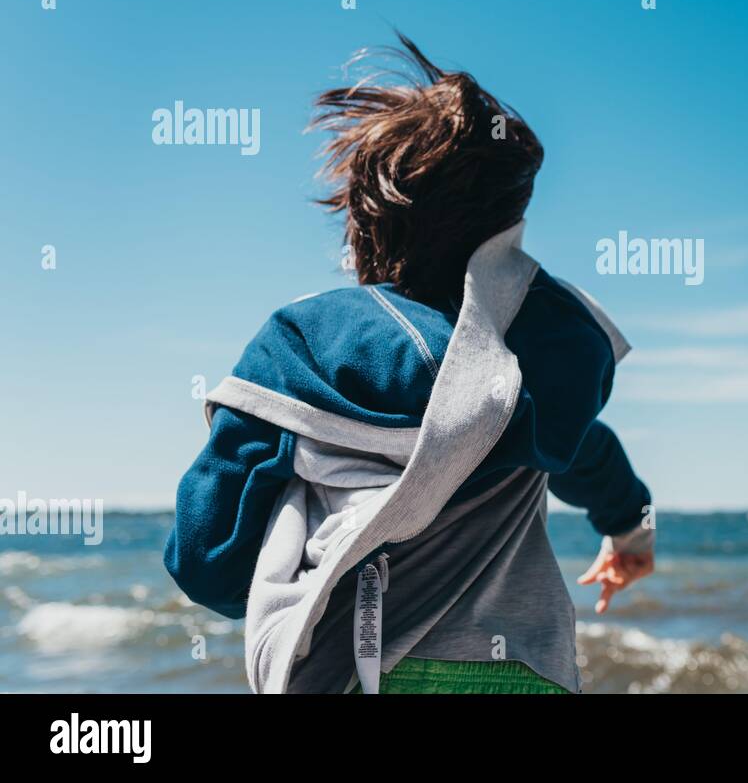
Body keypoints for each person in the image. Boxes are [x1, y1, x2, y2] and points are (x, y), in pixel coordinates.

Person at [164, 34, 654, 694]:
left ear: (364, 226)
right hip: (522, 671)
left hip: (355, 672)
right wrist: (630, 531)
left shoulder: (302, 349)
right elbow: (588, 453)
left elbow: (205, 561)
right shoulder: (530, 362)